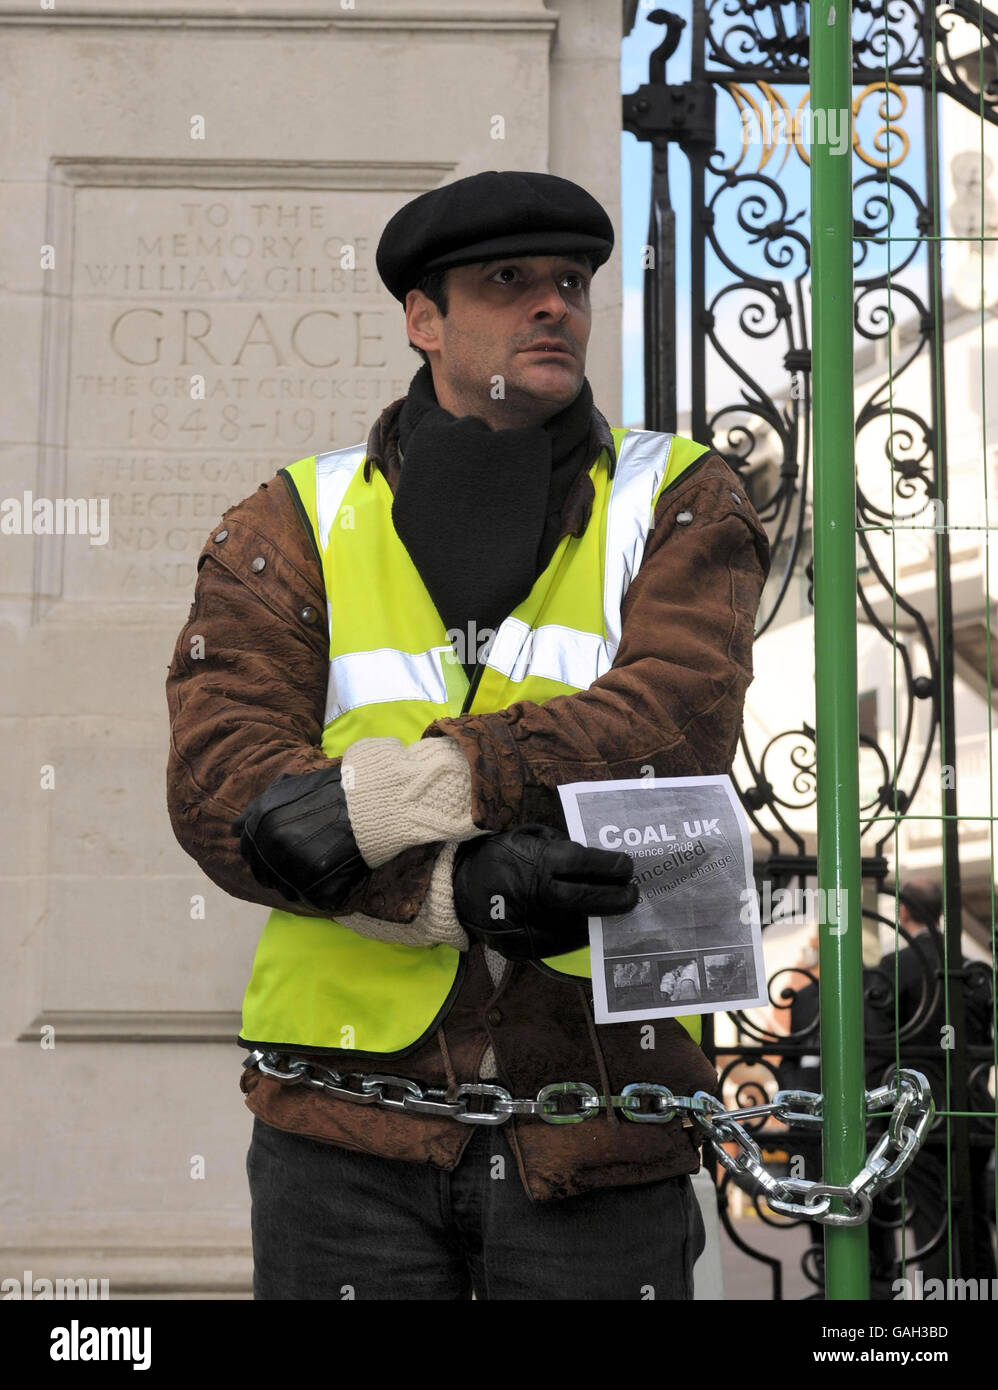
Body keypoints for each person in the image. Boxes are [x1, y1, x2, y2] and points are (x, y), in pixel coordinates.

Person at [165, 169, 771, 1301]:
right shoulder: (290, 519)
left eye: (571, 282)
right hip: (342, 1132)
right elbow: (223, 791)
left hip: (600, 1122)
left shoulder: (681, 496)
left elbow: (675, 716)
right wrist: (459, 896)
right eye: (509, 282)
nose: (554, 305)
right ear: (423, 319)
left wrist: (406, 795)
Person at [865, 879, 996, 1289]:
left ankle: (944, 1294)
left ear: (903, 912)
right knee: (972, 1215)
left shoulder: (895, 967)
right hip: (972, 1108)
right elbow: (981, 1043)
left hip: (922, 1113)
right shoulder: (973, 969)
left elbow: (877, 1048)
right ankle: (981, 1289)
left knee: (932, 1220)